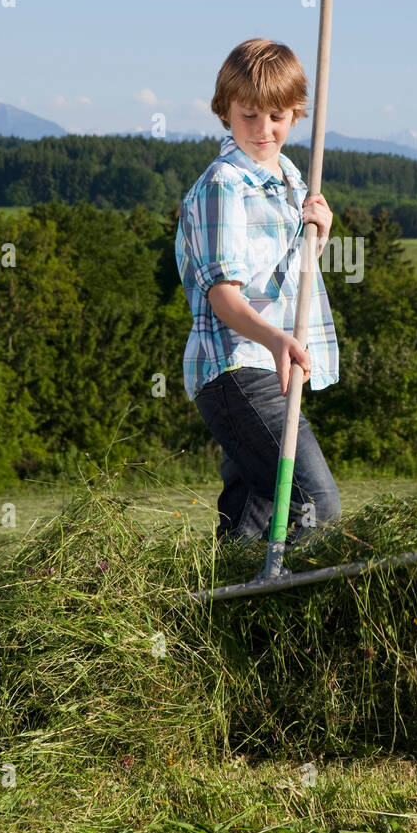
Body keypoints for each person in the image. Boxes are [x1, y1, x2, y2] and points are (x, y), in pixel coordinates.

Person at [175, 37, 341, 549]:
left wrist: (320, 233)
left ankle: (223, 610)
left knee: (252, 514)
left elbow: (287, 278)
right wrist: (274, 340)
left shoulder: (291, 178)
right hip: (236, 368)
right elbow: (224, 298)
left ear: (297, 114)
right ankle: (302, 599)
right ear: (224, 111)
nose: (264, 130)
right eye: (249, 115)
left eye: (277, 116)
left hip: (269, 363)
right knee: (316, 505)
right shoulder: (223, 184)